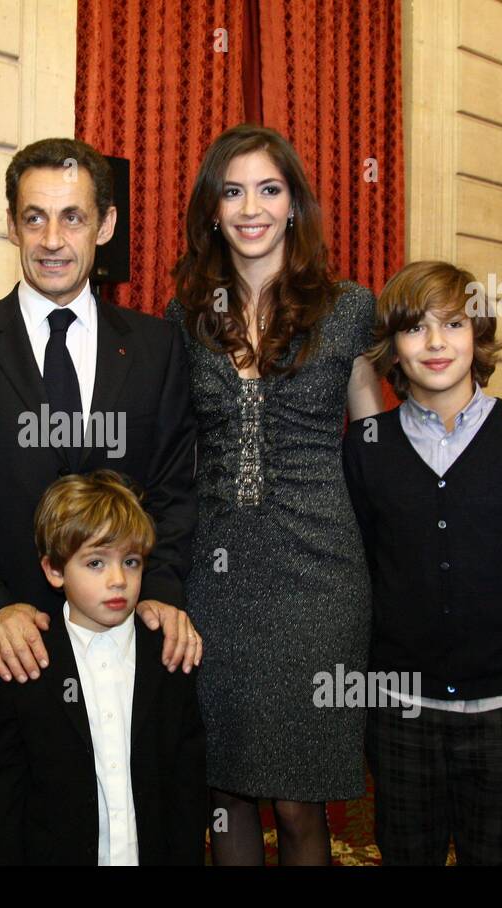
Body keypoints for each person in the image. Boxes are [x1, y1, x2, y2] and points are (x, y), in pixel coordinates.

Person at [0, 137, 201, 762]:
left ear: (106, 225)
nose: (51, 240)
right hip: (8, 657)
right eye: (34, 217)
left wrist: (162, 592)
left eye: (73, 217)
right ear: (10, 225)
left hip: (130, 646)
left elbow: (177, 488)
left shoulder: (156, 348)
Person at [166, 124, 383, 865]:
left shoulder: (350, 308)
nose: (251, 207)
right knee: (225, 794)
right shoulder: (187, 312)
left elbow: (376, 440)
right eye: (232, 191)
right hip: (216, 572)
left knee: (299, 800)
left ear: (294, 205)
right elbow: (173, 445)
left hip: (321, 575)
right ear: (212, 209)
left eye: (269, 188)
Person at [343, 260, 502, 865]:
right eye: (414, 328)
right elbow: (359, 580)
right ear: (391, 348)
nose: (435, 343)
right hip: (401, 715)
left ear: (477, 334)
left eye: (452, 323)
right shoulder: (368, 447)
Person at [0, 470, 206, 865]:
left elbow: (186, 791)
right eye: (96, 563)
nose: (118, 580)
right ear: (54, 570)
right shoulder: (29, 664)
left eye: (131, 562)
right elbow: (1, 804)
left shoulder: (168, 655)